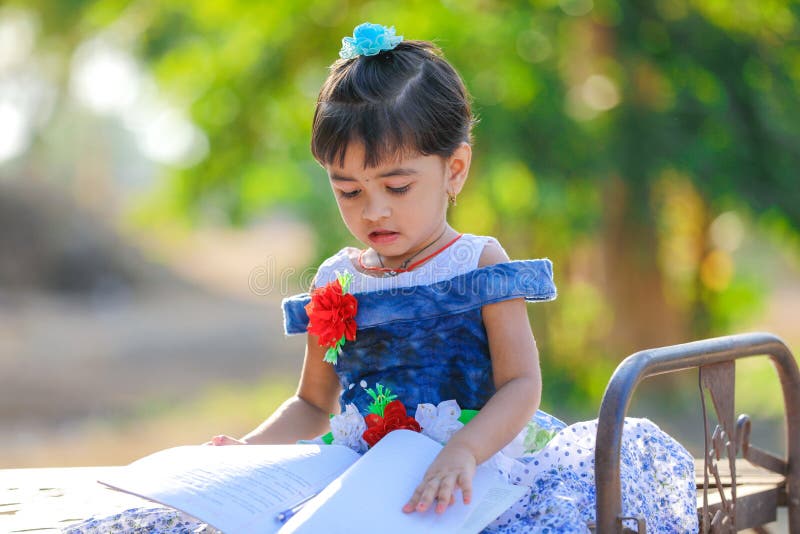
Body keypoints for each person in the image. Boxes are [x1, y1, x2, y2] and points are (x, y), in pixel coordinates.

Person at [65, 23, 698, 533]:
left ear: (454, 170)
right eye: (348, 190)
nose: (374, 211)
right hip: (363, 474)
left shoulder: (478, 264)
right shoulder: (338, 277)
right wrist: (247, 451)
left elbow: (521, 385)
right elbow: (313, 403)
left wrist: (464, 451)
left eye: (397, 186)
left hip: (475, 470)